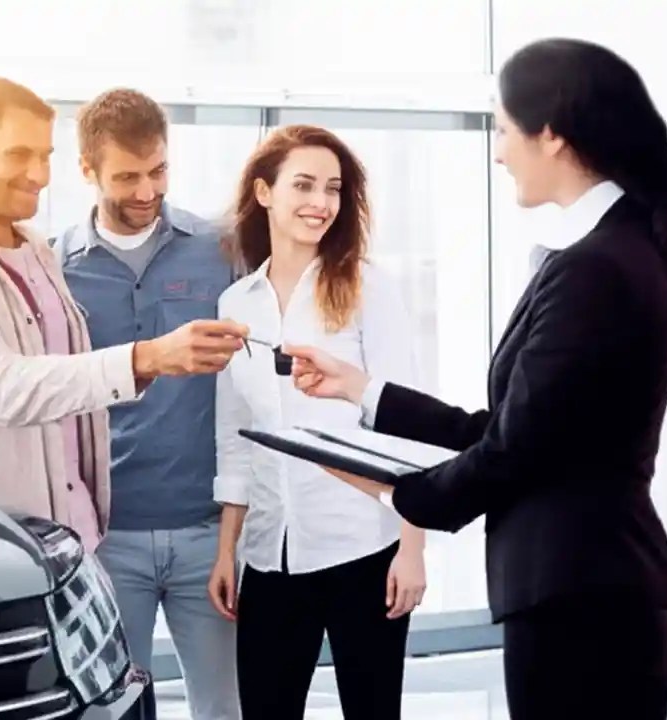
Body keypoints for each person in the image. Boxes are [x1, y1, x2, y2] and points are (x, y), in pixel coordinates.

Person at [286, 38, 667, 720]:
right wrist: (364, 390)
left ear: (553, 135)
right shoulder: (612, 252)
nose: (499, 152)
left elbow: (513, 452)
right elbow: (517, 429)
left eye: (505, 131)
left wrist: (400, 494)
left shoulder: (596, 267)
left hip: (584, 604)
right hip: (592, 593)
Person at [0, 77, 248, 554]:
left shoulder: (35, 250)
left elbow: (66, 384)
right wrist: (148, 358)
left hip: (67, 537)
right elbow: (0, 386)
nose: (38, 174)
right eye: (18, 154)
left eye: (44, 156)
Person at [207, 124, 426, 720]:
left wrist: (412, 549)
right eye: (302, 185)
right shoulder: (237, 305)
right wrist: (228, 551)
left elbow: (403, 429)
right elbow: (236, 438)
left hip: (363, 548)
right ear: (263, 192)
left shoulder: (368, 289)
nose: (320, 202)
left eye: (332, 189)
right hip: (270, 555)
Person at [54, 88, 241, 720]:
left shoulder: (221, 251)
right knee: (115, 712)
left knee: (224, 709)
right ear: (88, 171)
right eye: (127, 176)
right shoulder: (56, 270)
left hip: (208, 534)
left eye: (158, 171)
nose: (146, 190)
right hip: (108, 541)